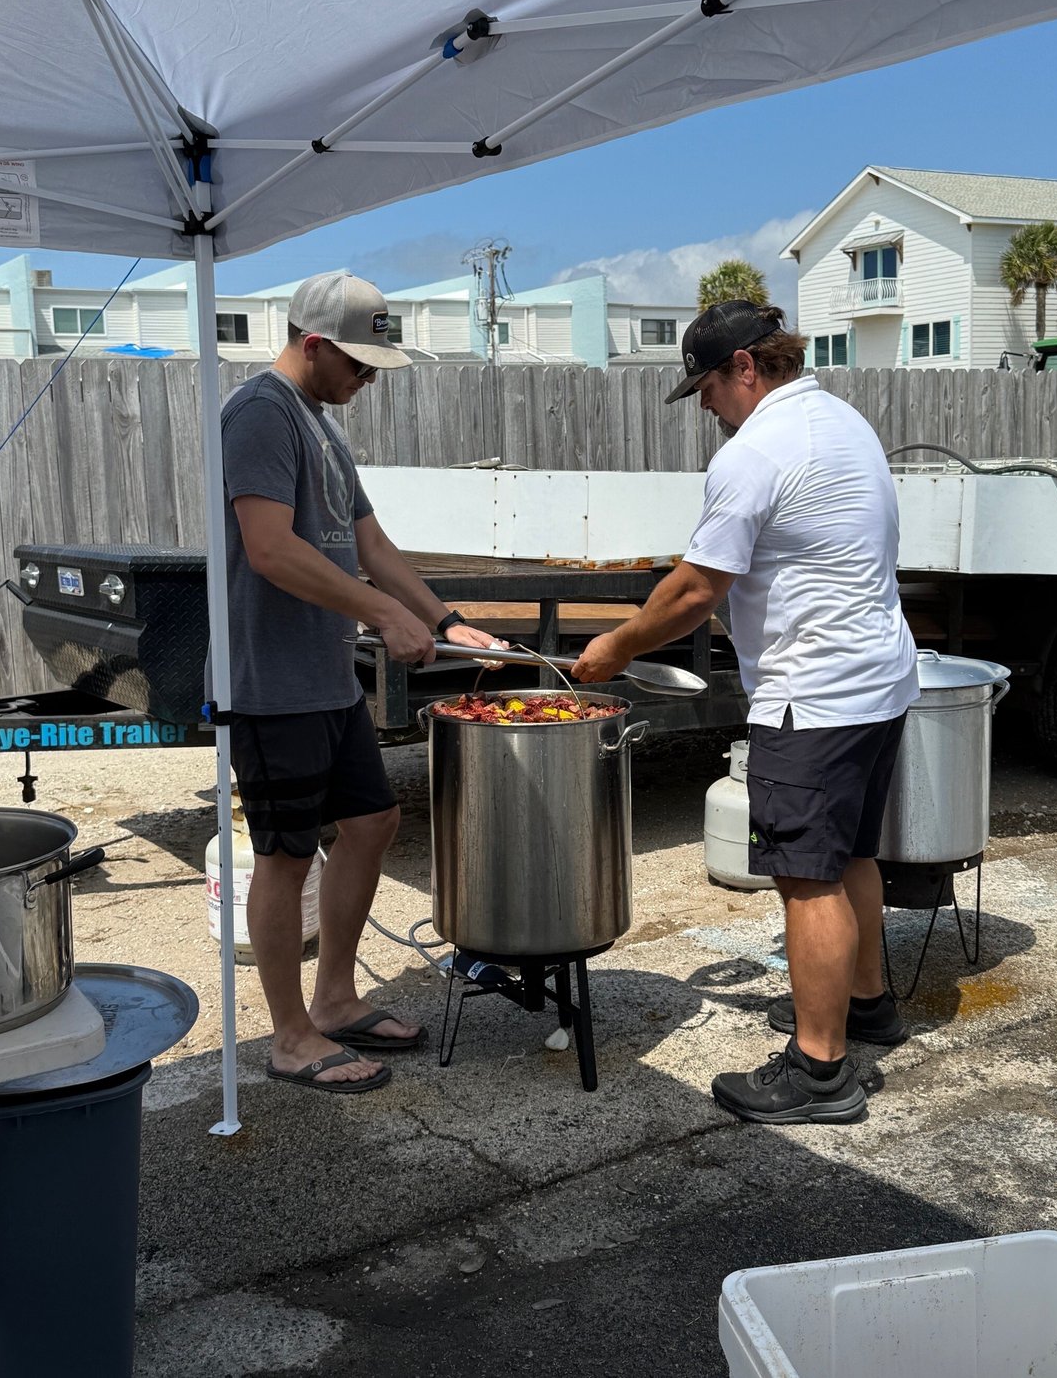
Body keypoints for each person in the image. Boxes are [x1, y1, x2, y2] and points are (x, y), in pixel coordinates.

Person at [572, 301, 918, 1124]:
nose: (703, 404)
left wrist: (615, 646)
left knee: (805, 880)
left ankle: (819, 1072)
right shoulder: (842, 421)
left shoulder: (754, 452)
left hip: (813, 695)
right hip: (877, 681)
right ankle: (864, 1005)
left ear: (744, 367)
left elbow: (695, 589)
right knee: (849, 854)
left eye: (705, 386)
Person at [219, 271, 505, 1094]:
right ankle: (289, 1038)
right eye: (359, 363)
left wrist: (446, 620)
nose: (369, 379)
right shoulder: (259, 413)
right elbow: (269, 548)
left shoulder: (321, 425)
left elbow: (371, 546)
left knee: (373, 821)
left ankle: (337, 1000)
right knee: (284, 855)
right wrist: (382, 615)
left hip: (326, 677)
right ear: (313, 345)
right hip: (270, 679)